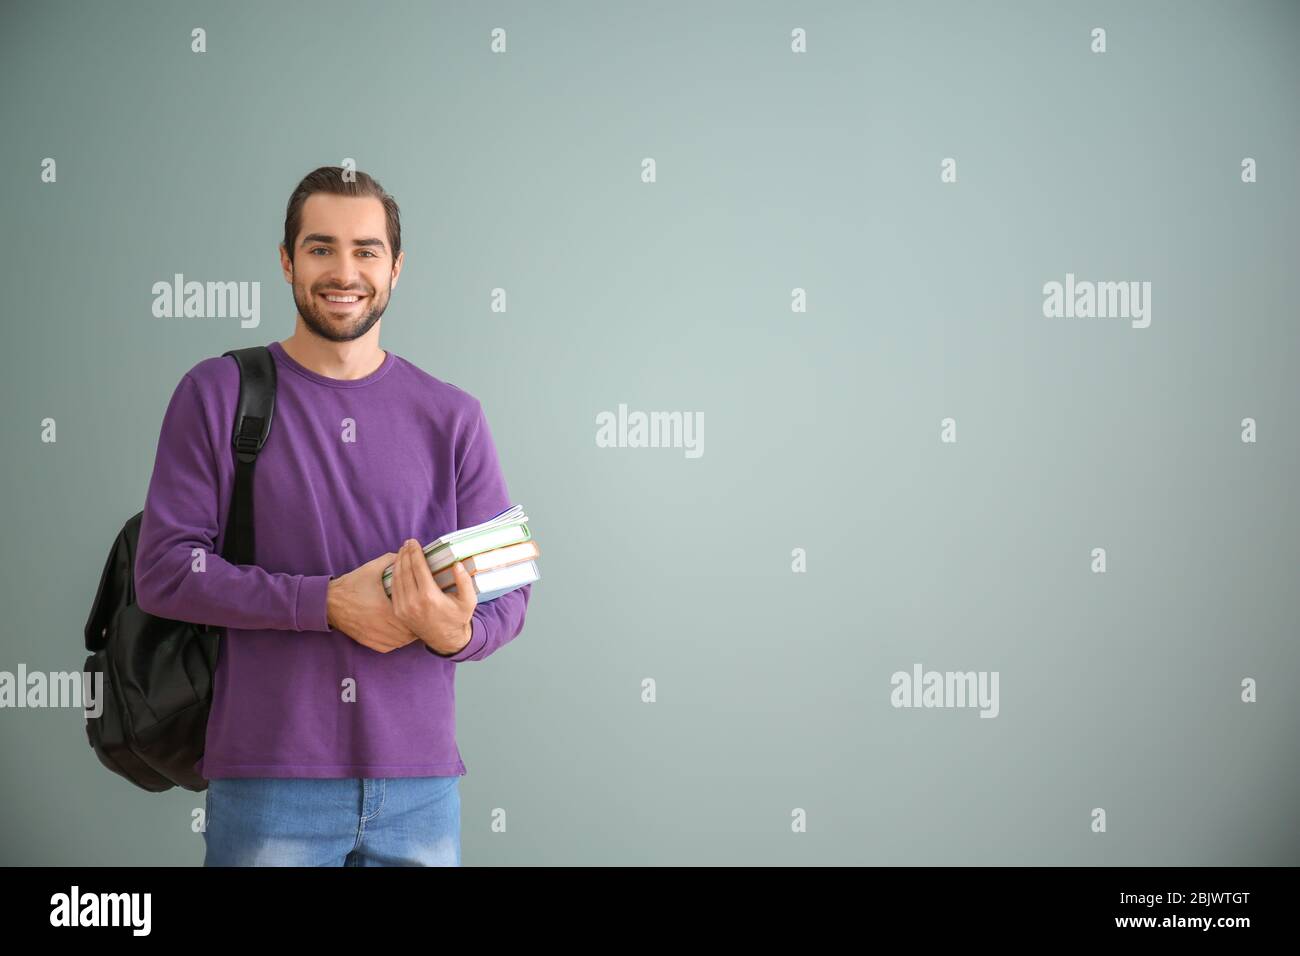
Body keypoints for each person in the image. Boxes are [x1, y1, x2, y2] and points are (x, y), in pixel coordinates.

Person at [134, 166, 531, 866]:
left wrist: (454, 631)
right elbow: (165, 572)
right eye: (320, 248)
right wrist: (323, 603)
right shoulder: (218, 392)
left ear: (396, 267)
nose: (343, 270)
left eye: (366, 250)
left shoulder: (453, 417)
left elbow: (510, 593)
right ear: (287, 261)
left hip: (422, 787)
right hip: (268, 779)